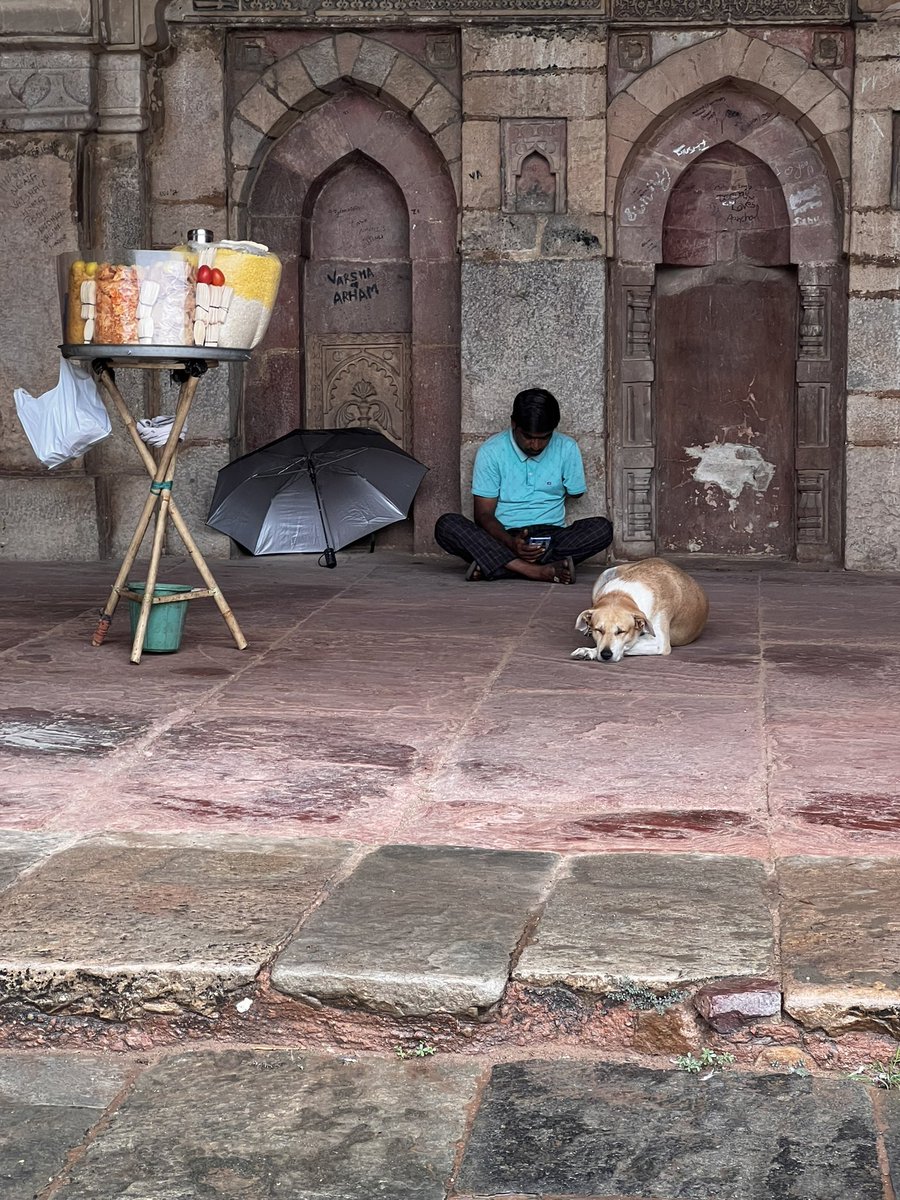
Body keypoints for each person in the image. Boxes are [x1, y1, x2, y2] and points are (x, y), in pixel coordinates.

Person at [434, 388, 613, 583]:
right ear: (514, 424)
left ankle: (500, 566)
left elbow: (576, 492)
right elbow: (483, 515)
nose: (535, 445)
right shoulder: (491, 451)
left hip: (552, 537)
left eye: (544, 438)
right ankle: (537, 571)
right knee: (447, 525)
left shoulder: (567, 448)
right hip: (504, 535)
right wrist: (511, 543)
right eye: (528, 437)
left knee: (602, 529)